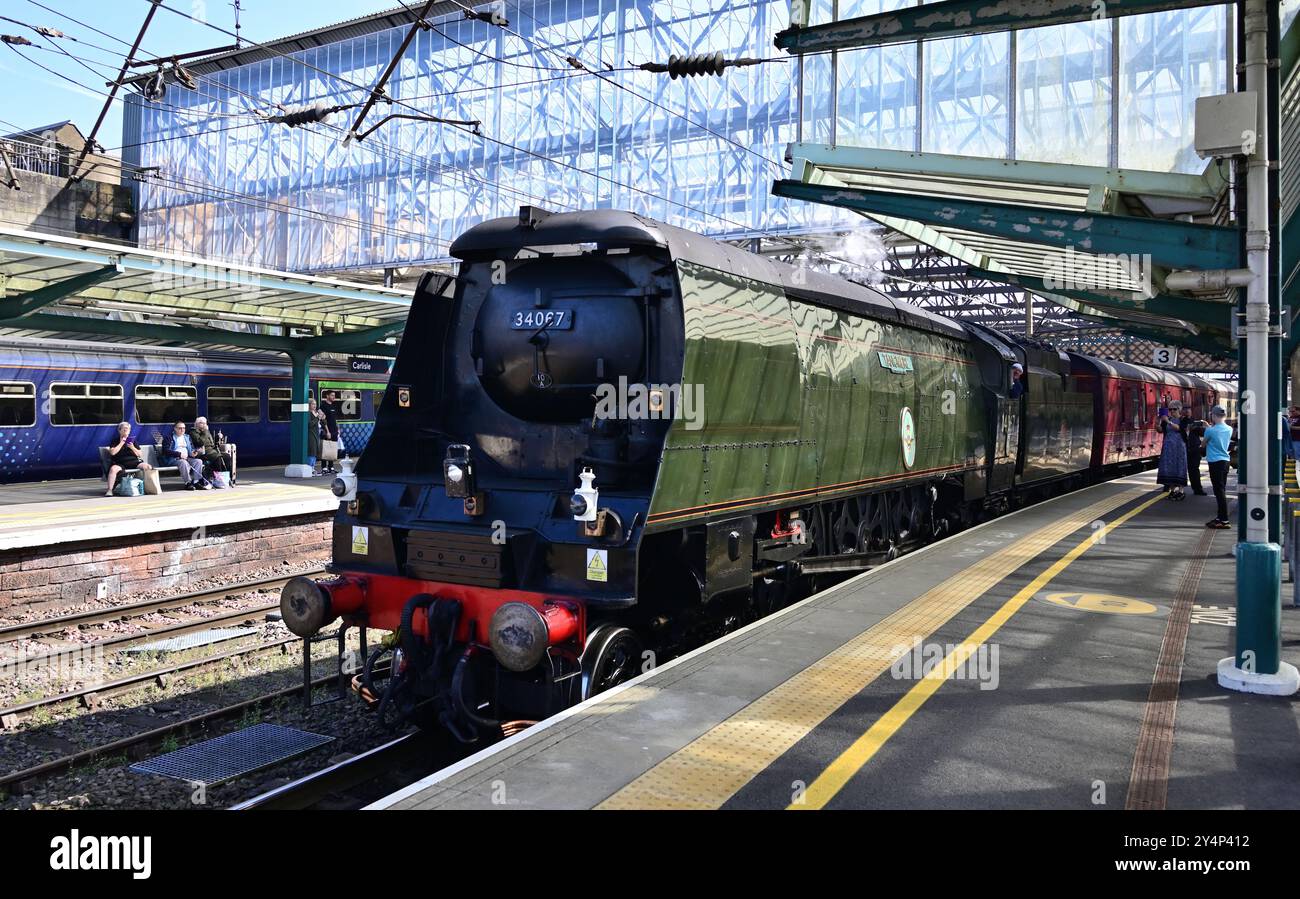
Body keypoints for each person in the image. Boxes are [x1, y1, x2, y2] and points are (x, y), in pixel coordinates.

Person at [1203, 405, 1234, 529]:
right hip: (1225, 461)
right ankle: (1220, 517)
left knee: (1219, 491)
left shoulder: (1210, 430)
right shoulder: (1229, 429)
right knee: (1222, 489)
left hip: (1215, 462)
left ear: (1214, 416)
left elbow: (1203, 443)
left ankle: (1224, 520)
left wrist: (1207, 428)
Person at [105, 421, 152, 497]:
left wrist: (132, 447)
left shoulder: (133, 441)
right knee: (113, 469)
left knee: (147, 467)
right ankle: (110, 490)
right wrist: (121, 443)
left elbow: (140, 454)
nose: (126, 431)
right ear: (119, 431)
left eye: (128, 429)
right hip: (120, 463)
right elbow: (112, 452)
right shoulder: (115, 441)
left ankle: (149, 488)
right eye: (124, 429)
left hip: (134, 462)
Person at [161, 420, 209, 489]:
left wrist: (193, 453)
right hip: (173, 459)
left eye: (184, 428)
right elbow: (165, 451)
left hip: (187, 458)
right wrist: (179, 454)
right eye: (180, 428)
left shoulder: (187, 437)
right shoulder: (169, 438)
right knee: (183, 463)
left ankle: (196, 482)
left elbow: (191, 449)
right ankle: (188, 483)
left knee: (198, 461)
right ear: (175, 428)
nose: (182, 430)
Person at [1156, 400, 1188, 499]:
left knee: (1179, 466)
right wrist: (1158, 422)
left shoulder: (1184, 419)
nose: (1172, 411)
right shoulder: (1167, 419)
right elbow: (1160, 430)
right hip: (1168, 447)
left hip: (1179, 447)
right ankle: (1173, 490)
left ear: (1179, 409)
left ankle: (1181, 491)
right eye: (1170, 409)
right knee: (1170, 468)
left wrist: (1168, 421)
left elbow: (1179, 428)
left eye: (1174, 409)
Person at [191, 416, 232, 481]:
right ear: (197, 424)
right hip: (203, 452)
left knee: (227, 456)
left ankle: (227, 478)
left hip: (212, 451)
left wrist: (217, 437)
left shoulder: (205, 431)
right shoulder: (193, 432)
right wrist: (206, 431)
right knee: (218, 458)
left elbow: (212, 442)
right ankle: (218, 479)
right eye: (202, 423)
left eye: (205, 423)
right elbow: (200, 443)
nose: (204, 425)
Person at [1183, 409, 1207, 496]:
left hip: (1193, 449)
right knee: (1190, 470)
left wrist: (1198, 427)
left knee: (1194, 470)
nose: (1187, 412)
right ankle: (1173, 487)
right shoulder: (1181, 422)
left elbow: (1203, 432)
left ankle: (1197, 489)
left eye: (1188, 410)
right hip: (1186, 449)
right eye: (1185, 410)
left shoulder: (1195, 422)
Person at [319, 390, 340, 474]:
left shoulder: (334, 406)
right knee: (325, 448)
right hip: (327, 431)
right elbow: (323, 420)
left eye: (334, 395)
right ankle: (324, 468)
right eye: (332, 395)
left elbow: (335, 419)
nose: (333, 397)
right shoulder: (323, 406)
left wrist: (338, 428)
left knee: (332, 449)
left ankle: (331, 467)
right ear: (327, 396)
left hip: (334, 431)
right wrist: (327, 431)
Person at [306, 397, 323, 475]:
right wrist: (317, 418)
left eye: (315, 404)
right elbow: (310, 424)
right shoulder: (308, 413)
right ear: (309, 405)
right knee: (312, 451)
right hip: (311, 434)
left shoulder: (315, 413)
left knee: (315, 451)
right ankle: (309, 468)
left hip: (316, 434)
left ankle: (313, 468)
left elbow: (322, 422)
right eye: (313, 404)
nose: (314, 405)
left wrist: (321, 416)